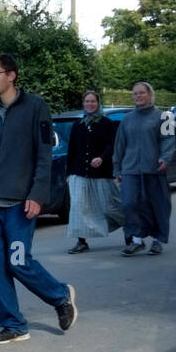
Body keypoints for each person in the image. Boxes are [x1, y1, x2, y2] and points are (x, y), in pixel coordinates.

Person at [0, 54, 77, 344]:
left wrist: (37, 194)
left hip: (21, 204)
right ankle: (14, 325)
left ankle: (60, 296)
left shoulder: (36, 107)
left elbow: (44, 154)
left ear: (12, 75)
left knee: (18, 261)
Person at [114, 81, 174, 256]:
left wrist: (165, 158)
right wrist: (117, 168)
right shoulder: (127, 119)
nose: (138, 96)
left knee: (158, 205)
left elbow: (168, 140)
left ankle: (157, 240)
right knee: (128, 204)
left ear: (149, 94)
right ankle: (137, 240)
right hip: (130, 169)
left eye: (141, 93)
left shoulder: (165, 117)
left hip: (154, 168)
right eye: (135, 93)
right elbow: (119, 145)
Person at [66, 90, 126, 253]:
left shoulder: (106, 123)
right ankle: (81, 242)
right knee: (78, 207)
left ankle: (129, 227)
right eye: (87, 101)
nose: (90, 104)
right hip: (79, 173)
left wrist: (102, 158)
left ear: (98, 103)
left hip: (102, 173)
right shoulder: (78, 125)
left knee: (109, 206)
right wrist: (69, 173)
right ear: (83, 104)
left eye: (93, 101)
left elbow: (111, 145)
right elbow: (72, 150)